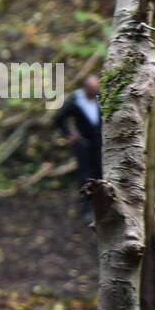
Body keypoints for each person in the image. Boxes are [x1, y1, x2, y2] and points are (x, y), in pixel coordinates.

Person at [53, 75, 103, 219]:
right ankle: (87, 208)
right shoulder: (76, 101)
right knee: (85, 175)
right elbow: (59, 118)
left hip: (98, 143)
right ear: (86, 89)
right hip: (83, 144)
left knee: (100, 172)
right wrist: (70, 134)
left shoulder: (99, 99)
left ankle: (101, 205)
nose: (96, 91)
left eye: (97, 88)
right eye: (93, 89)